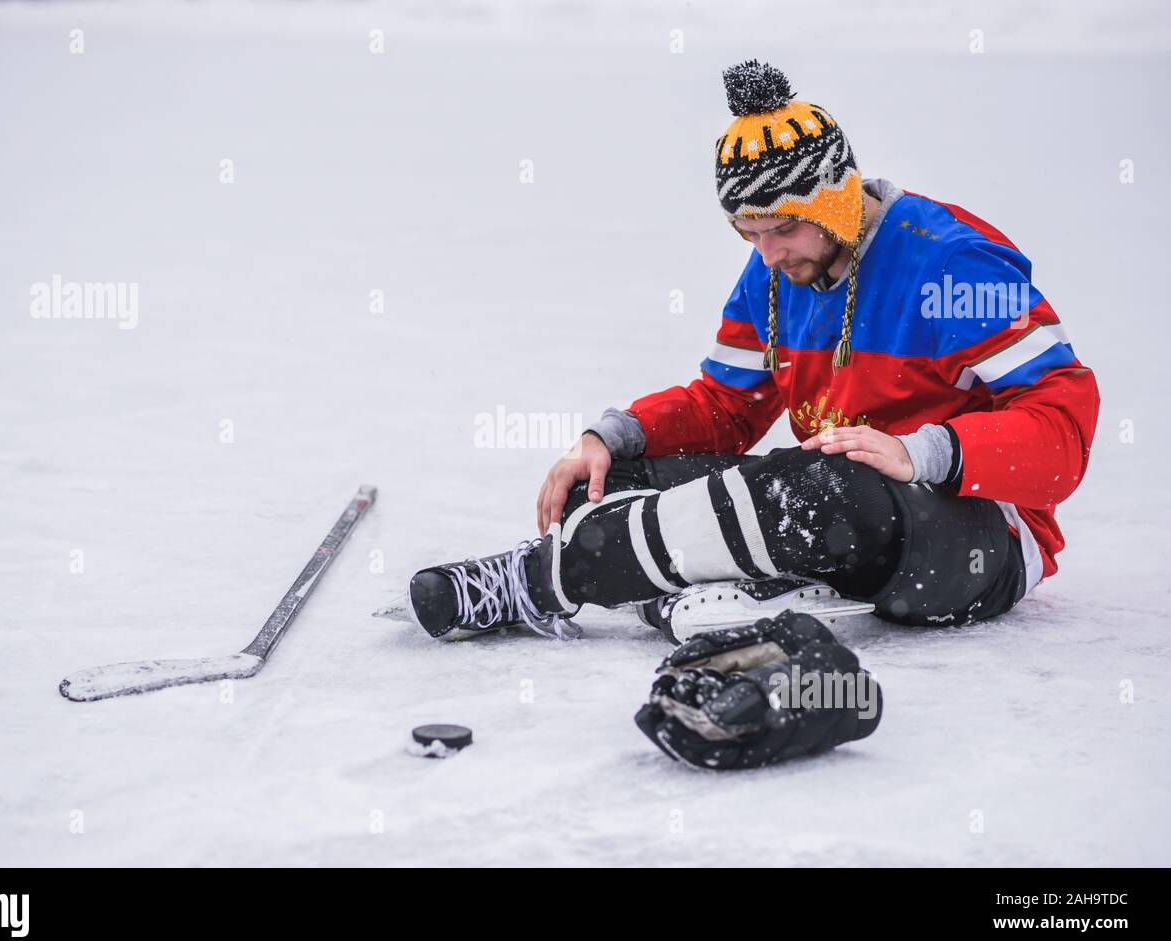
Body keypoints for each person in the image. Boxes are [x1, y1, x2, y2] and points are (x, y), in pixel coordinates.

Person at [406, 60, 1100, 647]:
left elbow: (1065, 431)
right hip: (830, 503)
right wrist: (612, 435)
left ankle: (541, 582)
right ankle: (691, 597)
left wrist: (923, 453)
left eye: (784, 228)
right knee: (616, 479)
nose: (766, 254)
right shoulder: (780, 268)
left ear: (834, 202)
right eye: (747, 232)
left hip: (982, 533)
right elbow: (726, 405)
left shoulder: (949, 264)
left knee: (828, 483)